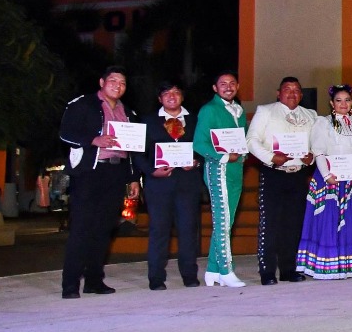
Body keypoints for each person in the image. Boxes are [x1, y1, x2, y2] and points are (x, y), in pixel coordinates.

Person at [59, 66, 141, 298]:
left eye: (122, 82)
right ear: (102, 82)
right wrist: (93, 139)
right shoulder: (83, 104)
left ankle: (95, 281)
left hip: (115, 175)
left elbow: (133, 152)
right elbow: (65, 133)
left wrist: (134, 179)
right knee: (81, 229)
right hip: (88, 174)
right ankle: (70, 284)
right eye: (113, 80)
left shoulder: (129, 113)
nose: (118, 85)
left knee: (104, 230)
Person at [246, 76, 317, 285]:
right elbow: (251, 140)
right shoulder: (266, 111)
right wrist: (271, 157)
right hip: (273, 173)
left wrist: (311, 155)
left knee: (293, 224)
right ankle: (267, 271)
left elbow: (317, 143)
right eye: (287, 89)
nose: (292, 93)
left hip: (298, 174)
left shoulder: (310, 115)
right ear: (279, 93)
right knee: (271, 224)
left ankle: (288, 269)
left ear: (301, 95)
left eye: (296, 90)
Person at [297, 84, 352, 279]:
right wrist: (326, 175)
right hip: (331, 176)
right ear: (332, 103)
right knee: (330, 219)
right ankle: (328, 265)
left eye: (347, 100)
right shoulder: (323, 123)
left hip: (350, 178)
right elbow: (319, 150)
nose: (343, 104)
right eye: (339, 100)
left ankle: (351, 264)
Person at [133, 79, 203, 290]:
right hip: (158, 184)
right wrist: (150, 171)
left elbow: (204, 146)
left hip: (188, 183)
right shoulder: (147, 122)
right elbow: (138, 154)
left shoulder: (196, 121)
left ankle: (190, 275)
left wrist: (197, 161)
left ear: (182, 96)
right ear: (160, 99)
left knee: (188, 230)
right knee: (159, 230)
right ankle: (156, 278)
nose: (172, 96)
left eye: (176, 92)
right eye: (166, 94)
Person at [193, 70, 248, 287]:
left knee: (228, 221)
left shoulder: (239, 110)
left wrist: (242, 154)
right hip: (218, 169)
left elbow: (241, 139)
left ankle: (213, 270)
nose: (228, 87)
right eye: (223, 83)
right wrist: (224, 155)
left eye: (232, 83)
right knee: (223, 222)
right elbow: (199, 143)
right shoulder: (209, 110)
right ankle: (226, 270)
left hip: (236, 170)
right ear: (215, 88)